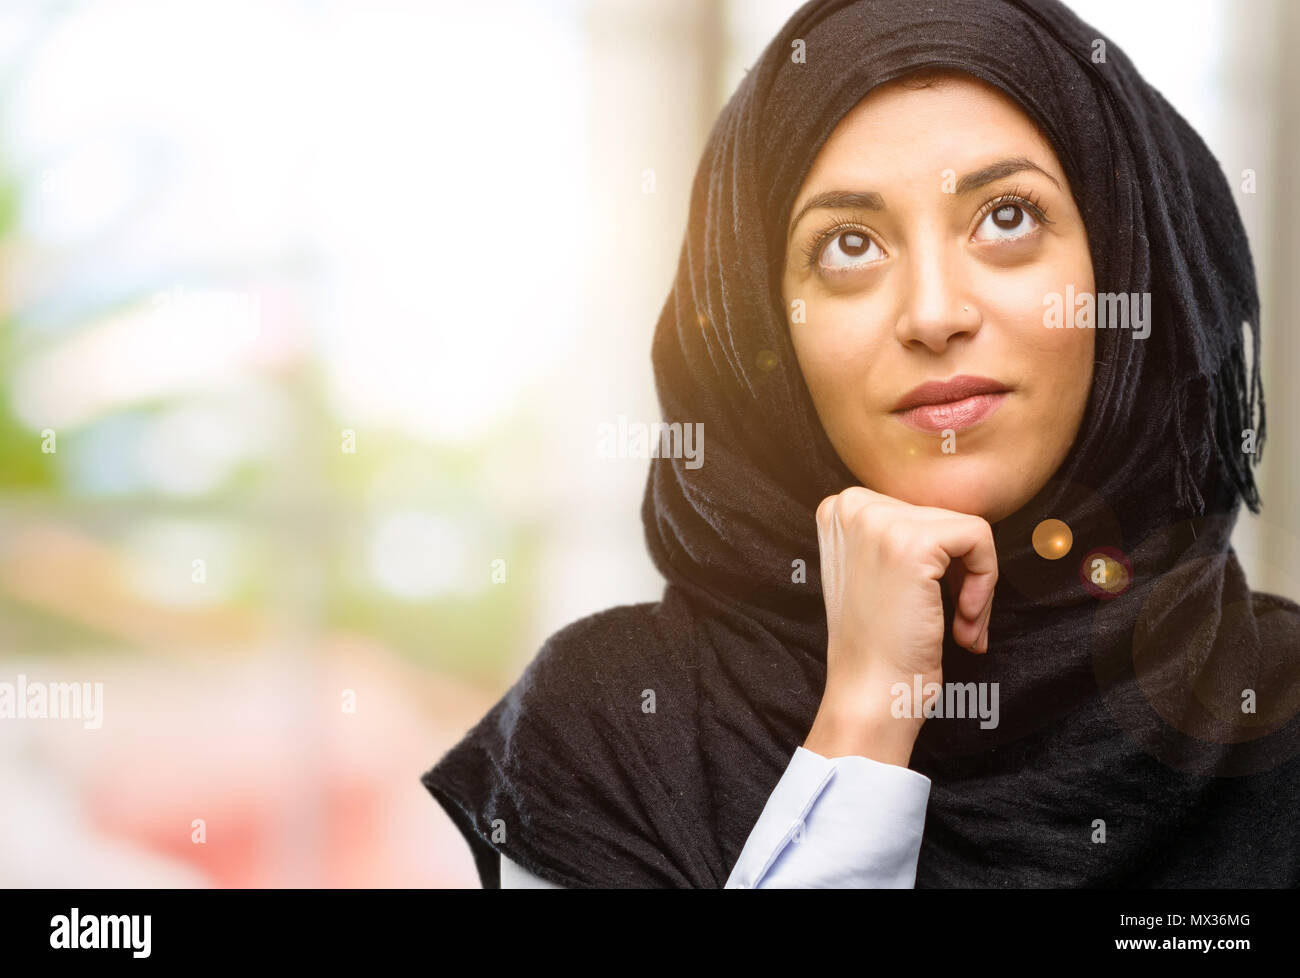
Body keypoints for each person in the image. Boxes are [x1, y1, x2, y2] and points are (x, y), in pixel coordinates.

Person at [421, 0, 1300, 888]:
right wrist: (867, 718)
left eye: (1006, 218)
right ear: (762, 330)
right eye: (849, 244)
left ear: (1121, 268)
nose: (933, 314)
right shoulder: (606, 733)